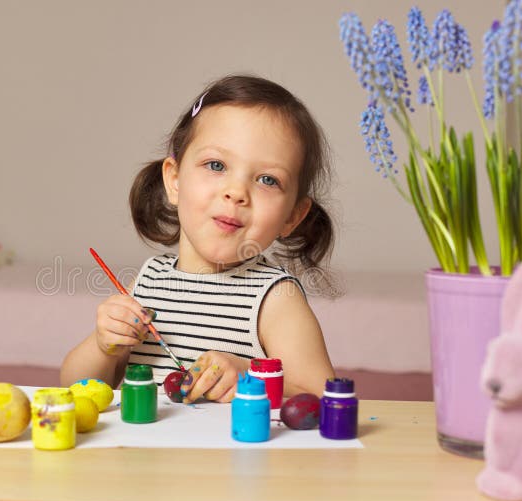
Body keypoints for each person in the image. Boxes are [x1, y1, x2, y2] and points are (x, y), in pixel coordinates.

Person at [61, 74, 335, 402]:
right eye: (216, 165)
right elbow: (73, 389)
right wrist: (103, 347)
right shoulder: (147, 282)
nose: (236, 192)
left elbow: (320, 397)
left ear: (292, 216)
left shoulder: (276, 299)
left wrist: (249, 375)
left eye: (267, 179)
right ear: (175, 181)